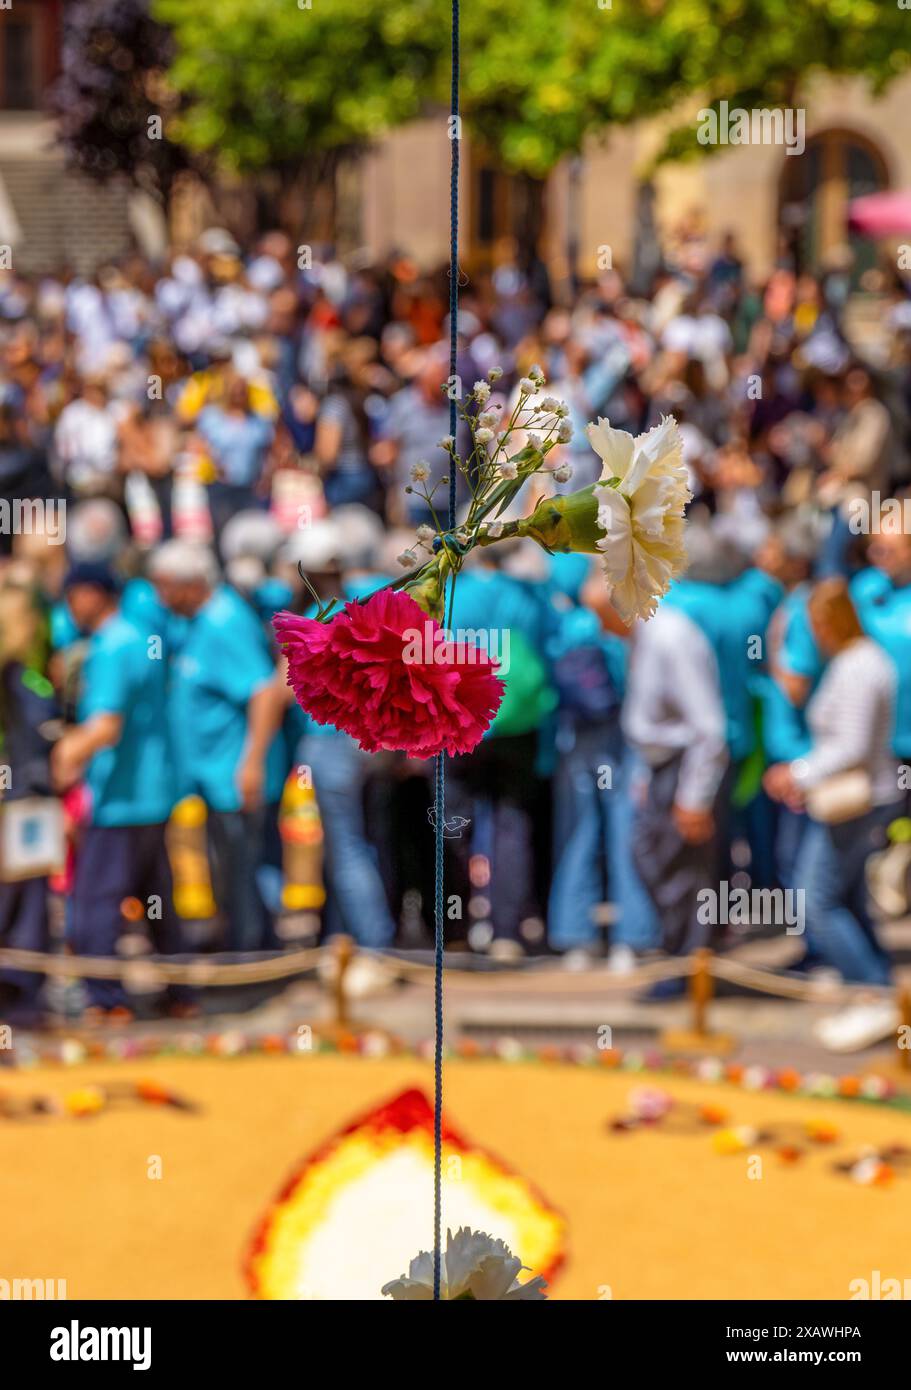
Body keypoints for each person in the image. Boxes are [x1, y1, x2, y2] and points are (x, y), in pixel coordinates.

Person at [50, 561, 191, 1021]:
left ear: (93, 593)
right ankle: (179, 994)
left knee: (96, 902)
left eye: (73, 594)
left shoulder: (112, 645)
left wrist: (62, 762)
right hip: (150, 792)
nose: (69, 605)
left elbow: (105, 726)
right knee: (157, 901)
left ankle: (105, 1000)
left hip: (120, 799)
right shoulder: (137, 635)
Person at [149, 540, 281, 953]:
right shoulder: (197, 621)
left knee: (243, 872)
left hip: (233, 776)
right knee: (227, 871)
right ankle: (237, 946)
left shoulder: (226, 621)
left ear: (190, 585)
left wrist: (252, 762)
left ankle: (251, 960)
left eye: (165, 586)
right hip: (212, 776)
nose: (159, 597)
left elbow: (263, 692)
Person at [764, 578, 899, 985]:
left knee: (814, 902)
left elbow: (852, 747)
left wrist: (798, 773)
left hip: (859, 799)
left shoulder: (860, 666)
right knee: (851, 900)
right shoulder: (856, 661)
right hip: (862, 794)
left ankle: (873, 989)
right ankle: (883, 991)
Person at [622, 600, 730, 958]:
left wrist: (694, 797)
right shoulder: (646, 635)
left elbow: (709, 728)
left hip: (683, 768)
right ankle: (682, 959)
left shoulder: (671, 636)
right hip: (664, 768)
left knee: (682, 875)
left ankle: (689, 966)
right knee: (655, 861)